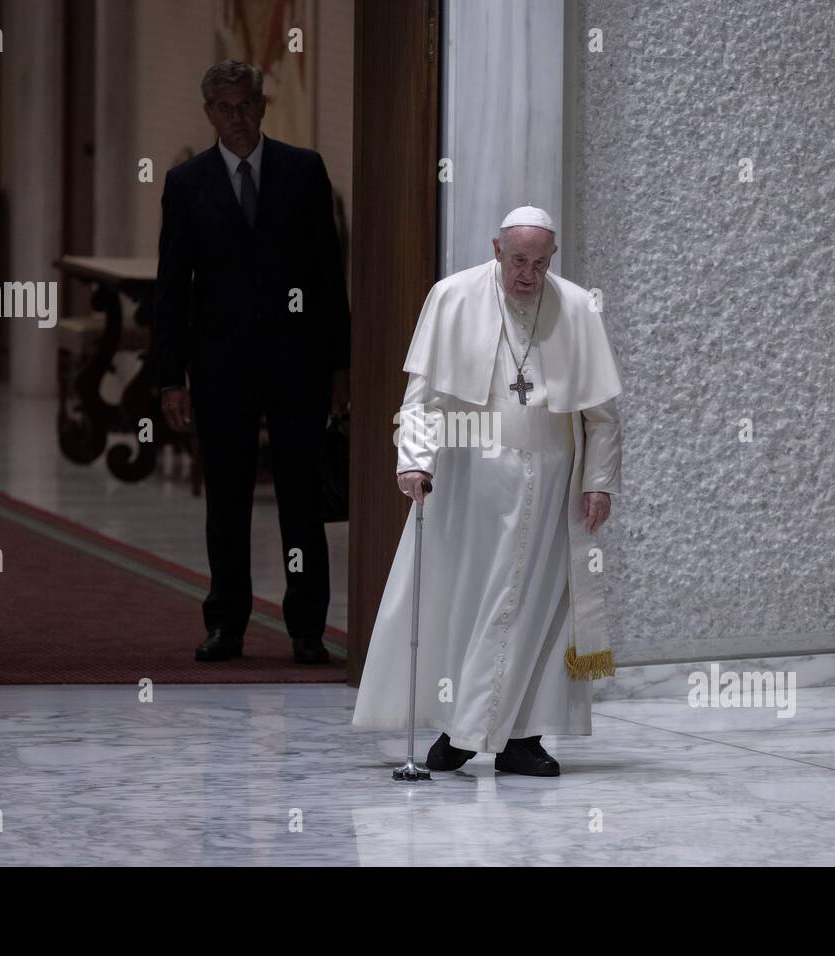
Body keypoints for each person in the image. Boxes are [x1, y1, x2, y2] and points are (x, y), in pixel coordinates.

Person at [351, 206, 623, 776]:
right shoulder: (451, 297)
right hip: (471, 481)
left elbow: (602, 414)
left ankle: (523, 739)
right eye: (519, 260)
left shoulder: (574, 306)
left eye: (541, 263)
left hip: (552, 481)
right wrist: (414, 461)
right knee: (476, 602)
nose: (528, 275)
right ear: (497, 250)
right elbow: (422, 397)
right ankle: (460, 728)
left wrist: (598, 481)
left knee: (540, 609)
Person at [152, 60, 351, 665]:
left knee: (300, 499)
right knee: (228, 500)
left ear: (263, 107)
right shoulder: (187, 183)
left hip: (299, 365)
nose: (236, 118)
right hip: (221, 367)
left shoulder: (303, 170)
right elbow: (172, 287)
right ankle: (226, 622)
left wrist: (342, 367)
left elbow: (327, 276)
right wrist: (170, 378)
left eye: (246, 106)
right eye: (224, 108)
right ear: (208, 112)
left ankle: (307, 628)